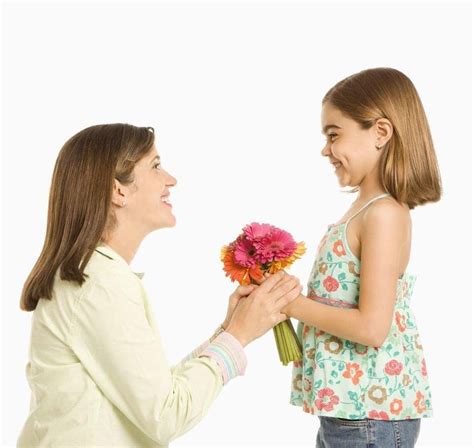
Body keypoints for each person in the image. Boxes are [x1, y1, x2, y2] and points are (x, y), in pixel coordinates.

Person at [16, 124, 302, 447]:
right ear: (118, 191)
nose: (171, 179)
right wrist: (238, 335)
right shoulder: (99, 284)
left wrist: (227, 331)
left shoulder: (93, 276)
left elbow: (156, 393)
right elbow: (166, 414)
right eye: (155, 166)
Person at [284, 68, 441, 447]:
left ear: (381, 132)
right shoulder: (363, 210)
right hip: (351, 410)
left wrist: (292, 304)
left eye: (334, 135)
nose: (326, 150)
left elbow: (372, 328)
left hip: (369, 414)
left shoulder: (384, 213)